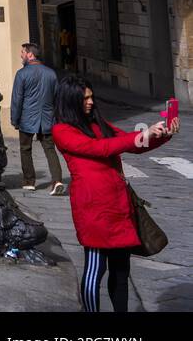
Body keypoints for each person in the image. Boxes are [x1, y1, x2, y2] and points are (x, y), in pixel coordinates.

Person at [52, 74, 179, 312]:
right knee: (95, 270)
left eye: (91, 97)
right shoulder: (62, 130)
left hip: (118, 205)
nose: (90, 102)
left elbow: (132, 144)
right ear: (70, 101)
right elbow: (101, 148)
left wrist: (161, 135)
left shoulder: (99, 123)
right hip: (93, 208)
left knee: (121, 272)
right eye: (84, 99)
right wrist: (143, 134)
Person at [10, 42, 64, 194]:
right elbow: (57, 97)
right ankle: (57, 180)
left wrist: (15, 119)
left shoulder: (22, 74)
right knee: (50, 149)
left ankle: (29, 181)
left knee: (25, 149)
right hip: (47, 117)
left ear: (30, 54)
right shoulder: (51, 73)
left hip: (27, 117)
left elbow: (17, 99)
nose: (21, 55)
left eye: (23, 52)